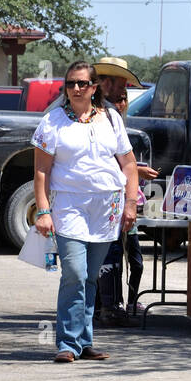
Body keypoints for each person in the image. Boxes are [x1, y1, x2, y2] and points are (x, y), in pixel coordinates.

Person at [32, 61, 141, 362]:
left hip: (106, 207)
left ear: (95, 88)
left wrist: (130, 204)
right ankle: (67, 344)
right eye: (70, 84)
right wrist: (43, 211)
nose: (76, 89)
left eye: (82, 83)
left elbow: (129, 164)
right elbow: (41, 171)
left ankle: (84, 341)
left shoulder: (112, 119)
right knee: (75, 274)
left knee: (91, 276)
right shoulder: (53, 121)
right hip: (69, 205)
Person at [93, 56, 159, 326]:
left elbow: (122, 161)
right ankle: (106, 308)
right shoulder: (98, 114)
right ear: (105, 83)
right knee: (104, 255)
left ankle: (105, 307)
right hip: (97, 197)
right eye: (121, 84)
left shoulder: (107, 114)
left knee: (106, 255)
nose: (125, 91)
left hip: (108, 198)